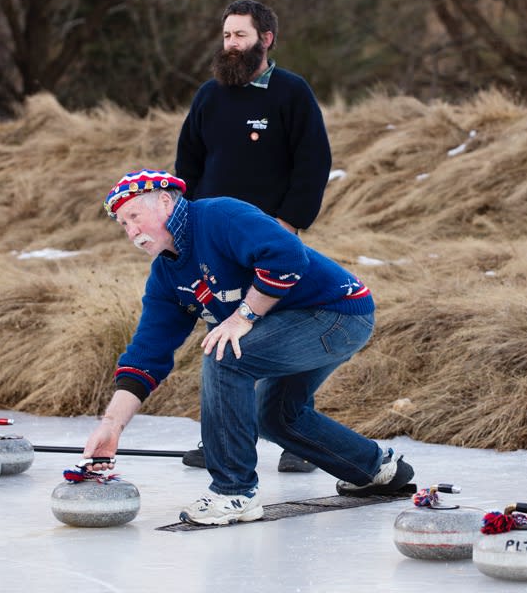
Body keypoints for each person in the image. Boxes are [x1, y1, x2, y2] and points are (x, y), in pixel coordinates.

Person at [83, 169, 414, 526]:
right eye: (123, 224)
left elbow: (287, 256)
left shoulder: (218, 217)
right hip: (288, 323)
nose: (131, 232)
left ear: (165, 201)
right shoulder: (167, 277)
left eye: (134, 216)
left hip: (336, 314)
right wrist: (112, 426)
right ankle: (376, 468)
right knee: (274, 416)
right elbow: (147, 355)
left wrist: (242, 317)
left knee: (224, 355)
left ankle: (233, 492)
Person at [174, 0, 332, 472]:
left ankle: (297, 440)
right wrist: (191, 226)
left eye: (240, 35)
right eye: (226, 36)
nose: (231, 45)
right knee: (220, 338)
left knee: (287, 336)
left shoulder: (291, 92)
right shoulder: (209, 96)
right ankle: (220, 441)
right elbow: (188, 167)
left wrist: (286, 227)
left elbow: (313, 164)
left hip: (271, 242)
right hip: (217, 246)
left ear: (265, 39)